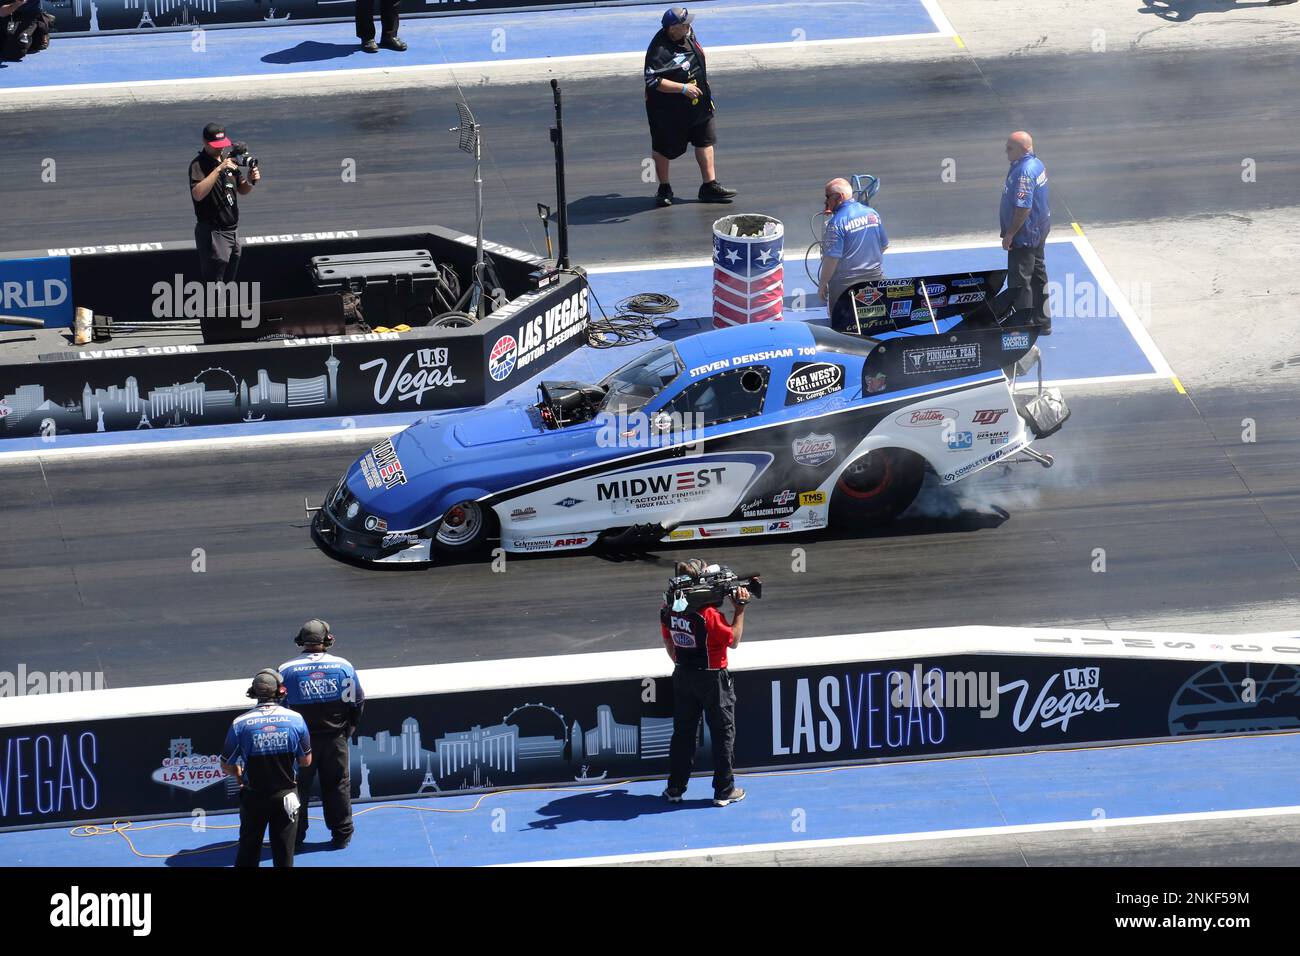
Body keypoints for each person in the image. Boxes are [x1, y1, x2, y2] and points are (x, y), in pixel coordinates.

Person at [660, 560, 748, 807]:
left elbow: (668, 643)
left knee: (683, 734)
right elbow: (734, 640)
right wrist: (740, 609)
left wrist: (683, 662)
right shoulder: (710, 615)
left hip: (682, 676)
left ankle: (675, 788)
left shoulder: (669, 608)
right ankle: (724, 790)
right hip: (713, 679)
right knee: (722, 734)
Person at [280, 619, 364, 850]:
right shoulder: (343, 666)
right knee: (338, 785)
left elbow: (279, 709)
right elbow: (357, 701)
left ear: (301, 641)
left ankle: (295, 838)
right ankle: (341, 835)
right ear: (328, 640)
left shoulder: (286, 670)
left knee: (296, 789)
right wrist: (349, 729)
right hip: (335, 739)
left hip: (300, 744)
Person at [644, 7, 737, 207]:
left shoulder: (687, 33)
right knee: (663, 148)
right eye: (684, 23)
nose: (689, 26)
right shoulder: (659, 49)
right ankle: (664, 188)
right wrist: (683, 88)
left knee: (705, 140)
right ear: (672, 28)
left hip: (699, 103)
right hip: (669, 111)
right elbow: (652, 80)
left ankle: (709, 186)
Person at [220, 668, 312, 868]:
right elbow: (306, 761)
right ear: (280, 692)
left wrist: (238, 775)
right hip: (286, 796)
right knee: (284, 853)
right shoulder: (296, 719)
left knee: (248, 849)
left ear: (253, 693)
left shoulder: (240, 723)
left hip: (254, 797)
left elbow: (226, 764)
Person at [189, 123, 260, 284]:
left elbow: (243, 190)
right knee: (215, 284)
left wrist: (250, 181)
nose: (220, 150)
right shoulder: (198, 165)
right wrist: (219, 169)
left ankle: (227, 308)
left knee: (229, 282)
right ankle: (216, 309)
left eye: (222, 146)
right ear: (205, 142)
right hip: (213, 233)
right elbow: (197, 194)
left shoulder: (229, 162)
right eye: (216, 146)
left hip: (232, 231)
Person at [1000, 130, 1052, 333]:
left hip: (1025, 233)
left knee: (1020, 280)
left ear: (1023, 149)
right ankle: (1043, 321)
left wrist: (1011, 233)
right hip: (1039, 228)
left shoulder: (1023, 172)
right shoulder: (1036, 164)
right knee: (1038, 274)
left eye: (1009, 148)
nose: (1006, 152)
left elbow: (1023, 207)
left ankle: (1023, 327)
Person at [818, 177, 889, 318]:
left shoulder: (836, 223)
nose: (825, 201)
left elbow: (831, 259)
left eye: (827, 197)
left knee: (840, 327)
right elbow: (884, 245)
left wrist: (822, 284)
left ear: (839, 197)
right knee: (878, 321)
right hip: (876, 278)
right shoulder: (872, 213)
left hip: (846, 284)